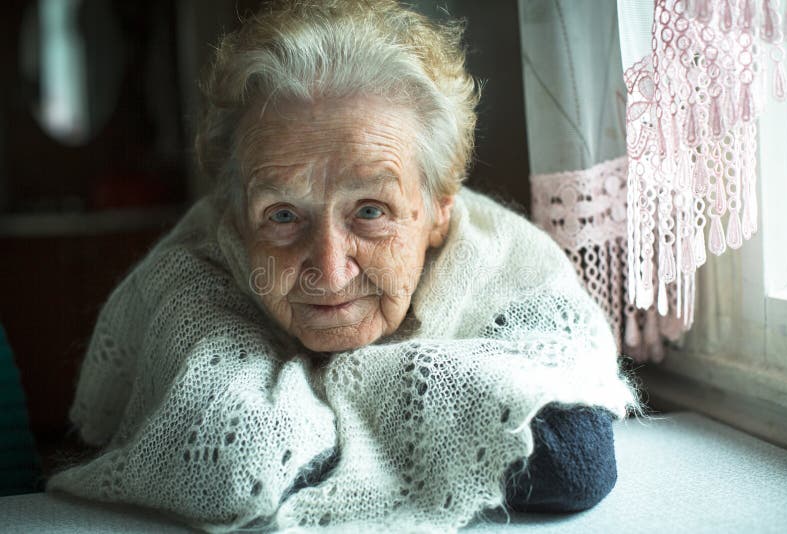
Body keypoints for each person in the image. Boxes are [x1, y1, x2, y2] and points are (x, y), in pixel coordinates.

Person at [48, 1, 640, 531]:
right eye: (283, 216)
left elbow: (575, 460)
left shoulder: (504, 264)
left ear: (438, 210)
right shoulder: (191, 279)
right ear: (236, 218)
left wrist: (336, 394)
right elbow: (237, 462)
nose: (330, 273)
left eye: (370, 211)